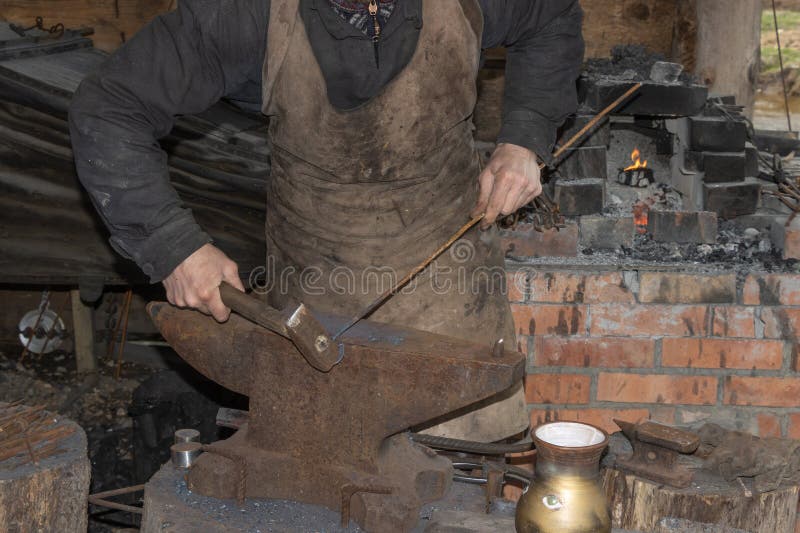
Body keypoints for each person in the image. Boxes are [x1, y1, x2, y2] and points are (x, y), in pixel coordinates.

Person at [69, 0, 584, 442]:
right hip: (316, 302)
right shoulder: (247, 14)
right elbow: (111, 106)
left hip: (451, 285)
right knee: (322, 479)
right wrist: (174, 246)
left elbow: (551, 17)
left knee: (468, 483)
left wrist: (526, 136)